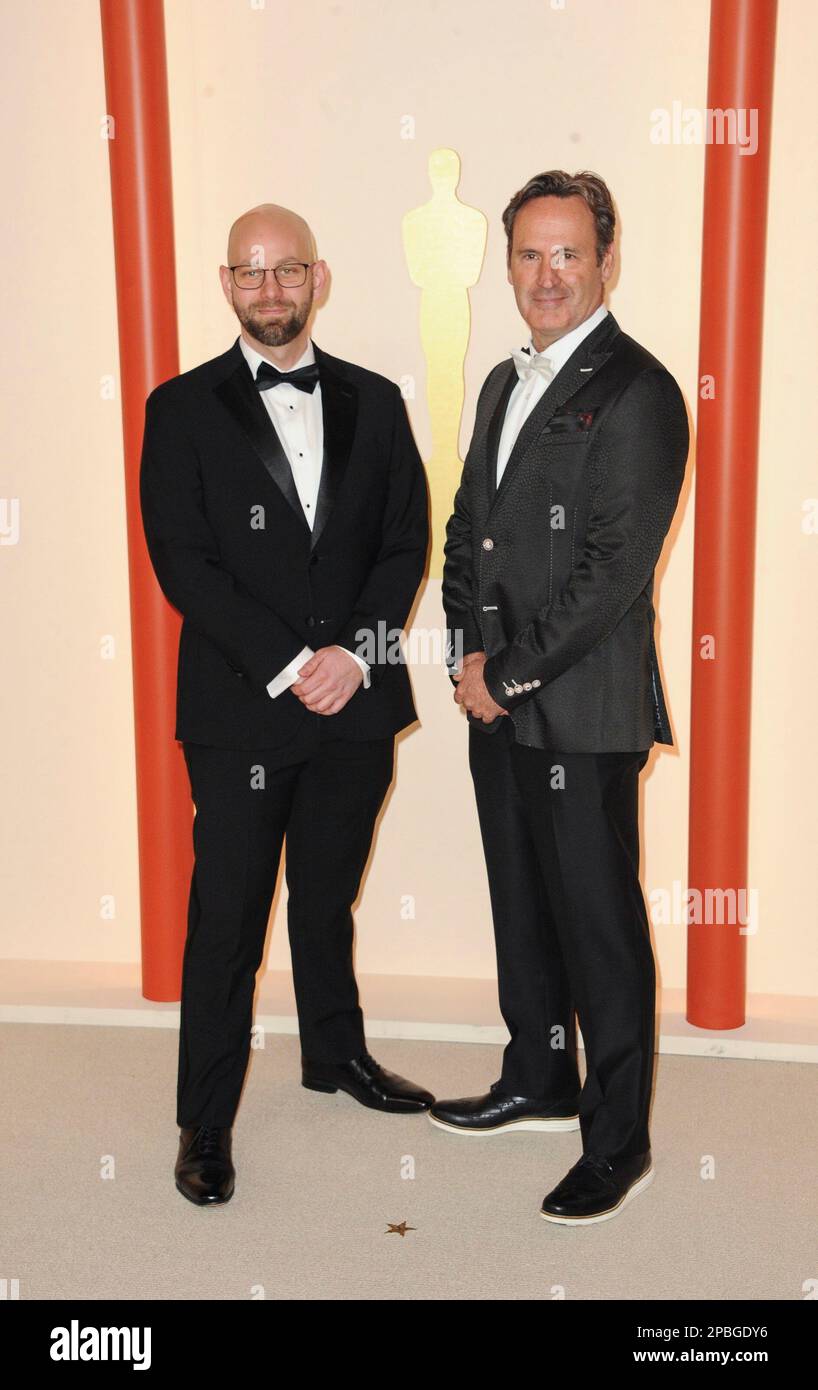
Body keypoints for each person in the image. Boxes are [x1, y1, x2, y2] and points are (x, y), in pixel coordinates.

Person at [139, 203, 433, 1207]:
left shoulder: (376, 401)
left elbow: (406, 541)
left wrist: (354, 654)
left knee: (326, 895)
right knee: (226, 917)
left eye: (287, 271)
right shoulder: (177, 409)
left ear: (318, 277)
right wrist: (288, 662)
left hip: (354, 702)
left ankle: (334, 1056)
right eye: (249, 273)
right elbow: (185, 562)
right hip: (238, 710)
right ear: (226, 283)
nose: (270, 290)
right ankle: (203, 1121)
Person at [436, 170, 689, 1225]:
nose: (547, 275)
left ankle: (615, 1139)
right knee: (520, 905)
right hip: (492, 702)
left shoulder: (639, 391)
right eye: (529, 256)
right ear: (507, 266)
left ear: (605, 261)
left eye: (568, 254)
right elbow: (467, 526)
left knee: (596, 925)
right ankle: (537, 1076)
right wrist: (464, 656)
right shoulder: (500, 381)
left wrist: (507, 672)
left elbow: (608, 573)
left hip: (578, 710)